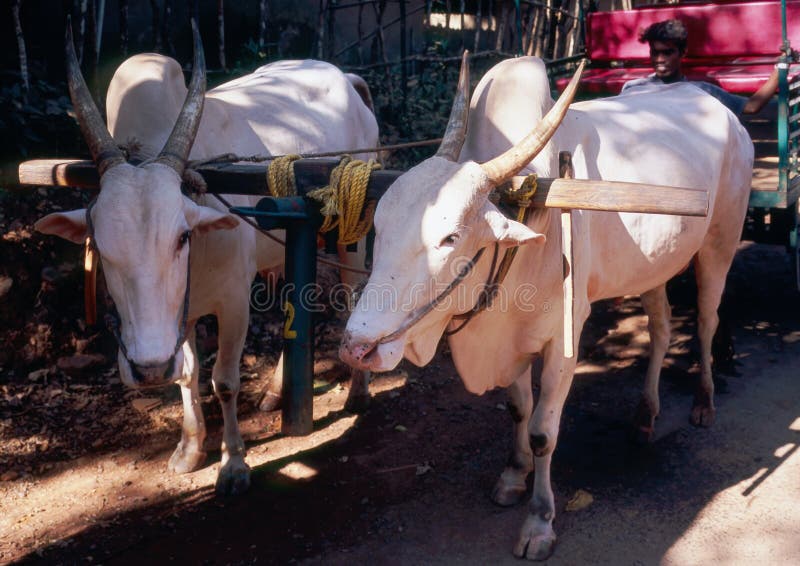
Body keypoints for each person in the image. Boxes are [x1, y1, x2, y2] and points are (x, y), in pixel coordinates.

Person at [621, 19, 781, 117]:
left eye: (667, 52)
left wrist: (779, 70)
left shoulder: (702, 91)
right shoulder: (633, 88)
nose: (660, 59)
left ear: (682, 53)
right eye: (655, 53)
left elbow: (751, 107)